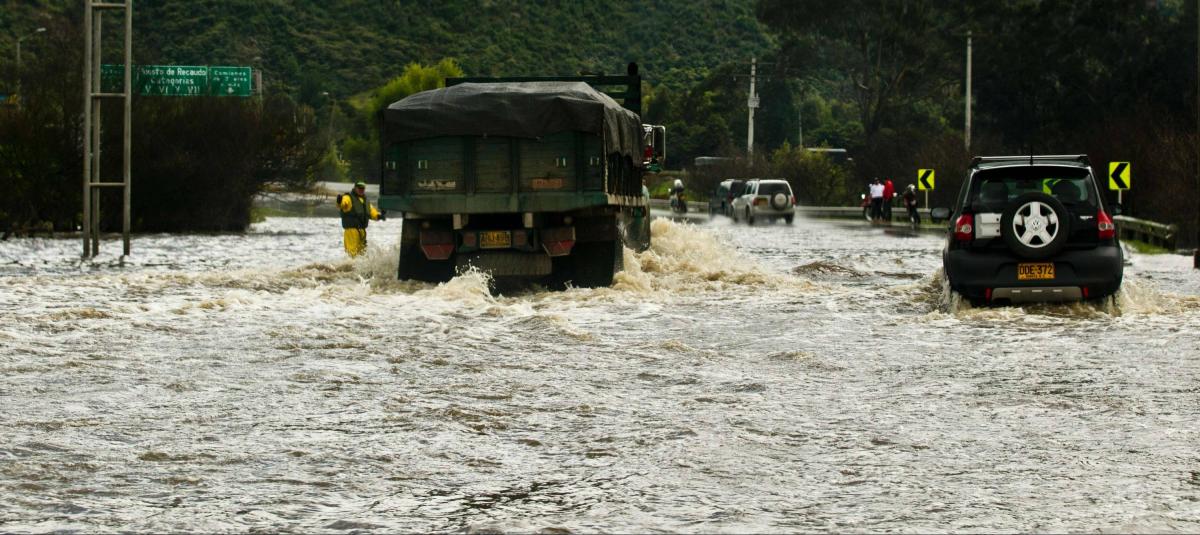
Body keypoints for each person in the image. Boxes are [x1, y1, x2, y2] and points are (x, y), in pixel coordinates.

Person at [337, 181, 385, 257]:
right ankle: (351, 264)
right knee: (352, 253)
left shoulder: (366, 201)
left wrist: (379, 216)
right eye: (359, 188)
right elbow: (342, 204)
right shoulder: (348, 197)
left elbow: (372, 212)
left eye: (362, 188)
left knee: (362, 254)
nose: (361, 190)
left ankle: (359, 264)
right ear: (355, 188)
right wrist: (339, 201)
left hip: (362, 231)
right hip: (351, 231)